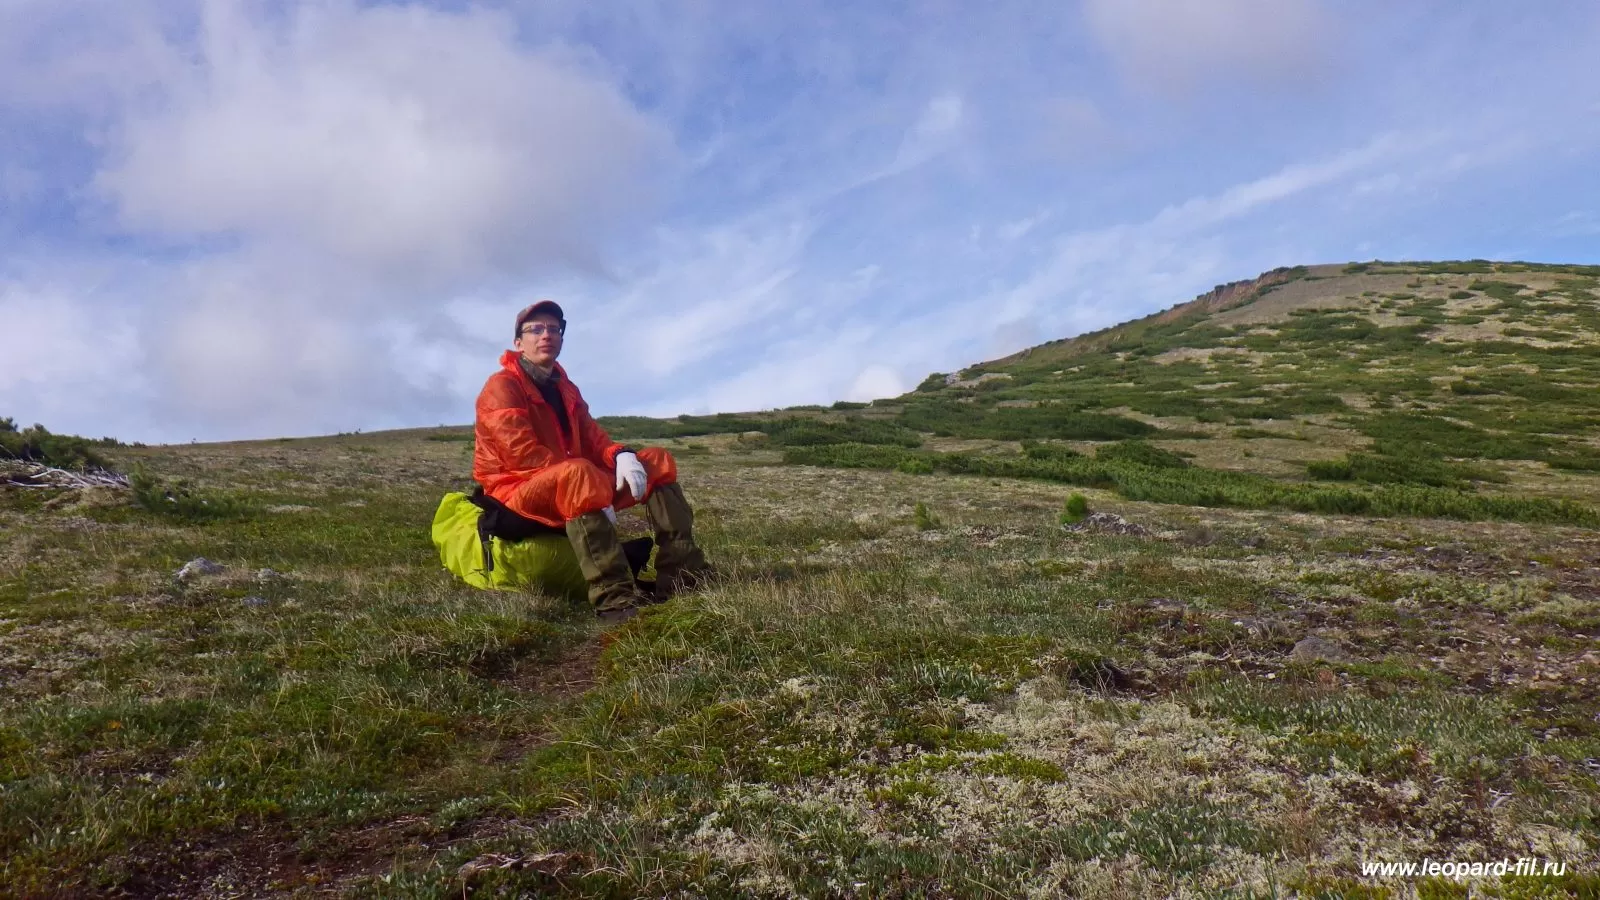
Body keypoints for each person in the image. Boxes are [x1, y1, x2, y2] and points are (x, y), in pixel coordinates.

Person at [473, 300, 712, 621]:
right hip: (514, 493)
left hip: (571, 482)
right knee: (579, 473)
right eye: (536, 329)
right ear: (518, 343)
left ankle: (683, 575)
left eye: (555, 329)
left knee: (656, 460)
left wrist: (621, 455)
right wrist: (593, 488)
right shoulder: (501, 387)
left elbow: (593, 438)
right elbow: (523, 457)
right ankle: (614, 598)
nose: (547, 335)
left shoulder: (565, 388)